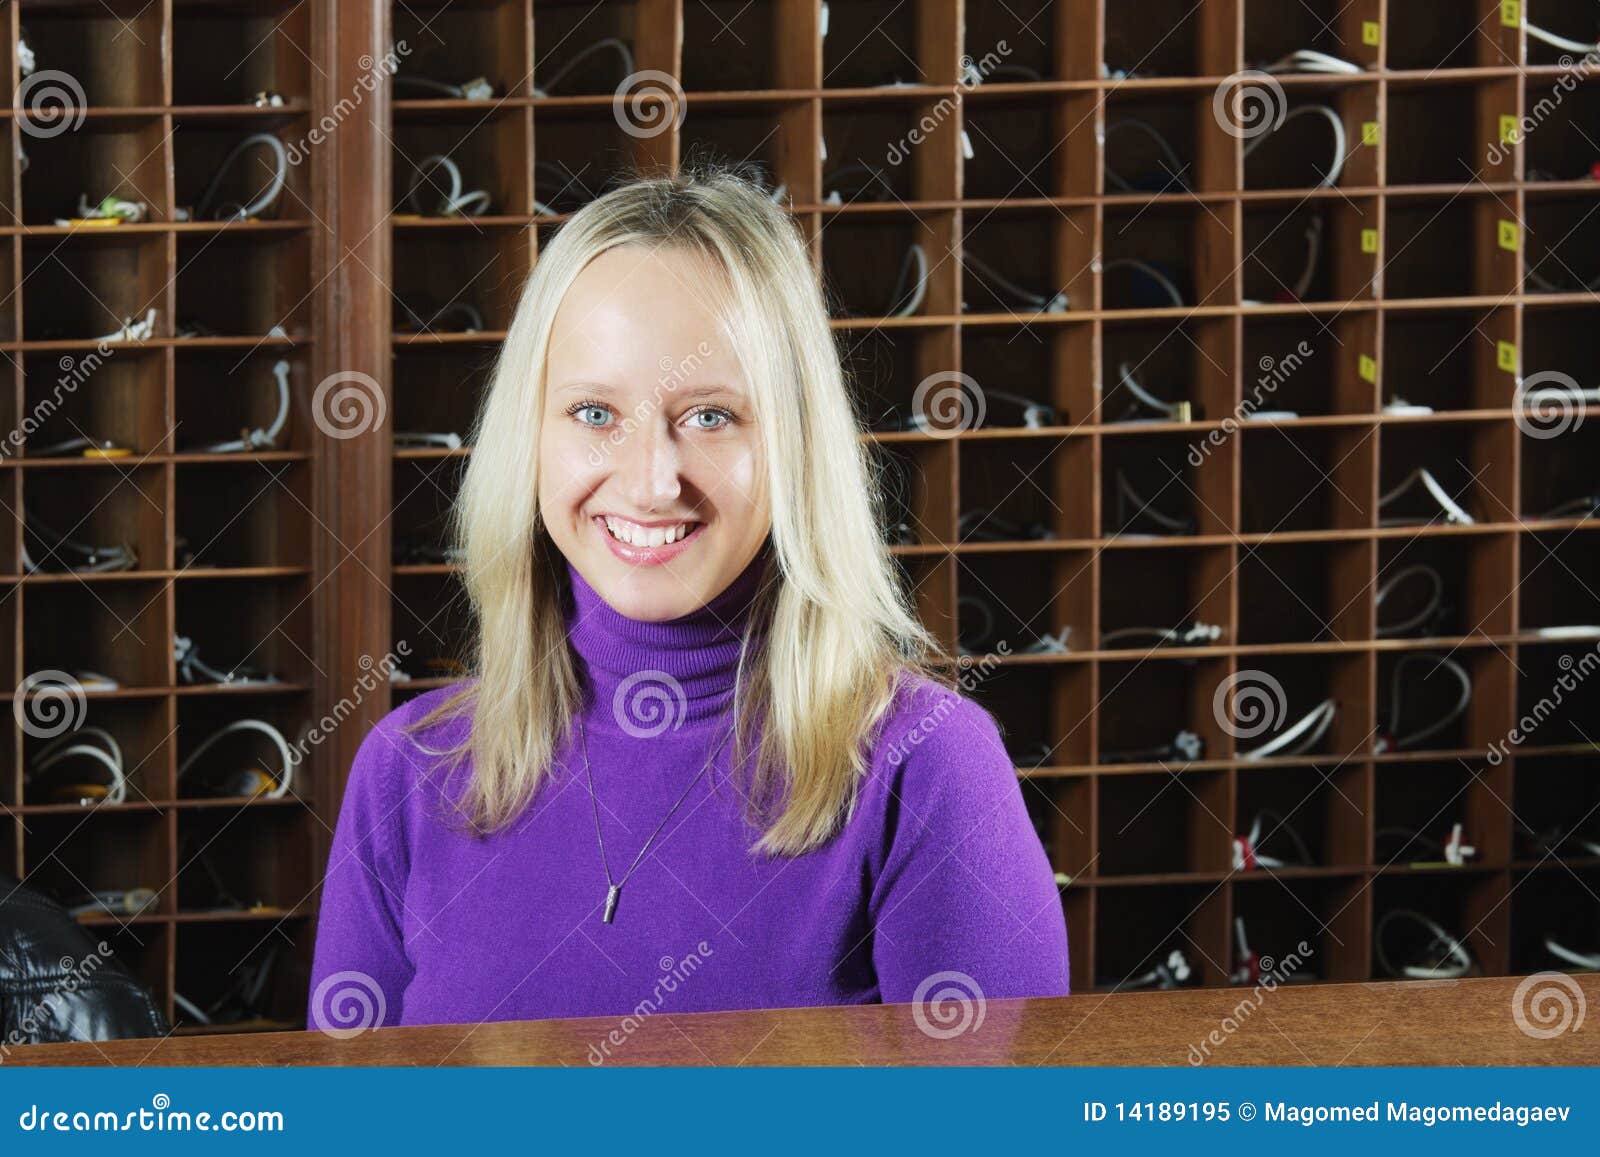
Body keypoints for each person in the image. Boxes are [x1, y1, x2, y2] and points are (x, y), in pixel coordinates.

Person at [307, 166, 1069, 1032]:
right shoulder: (406, 771)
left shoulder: (926, 767)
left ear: (793, 443)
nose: (649, 479)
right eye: (595, 412)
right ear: (532, 437)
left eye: (709, 416)